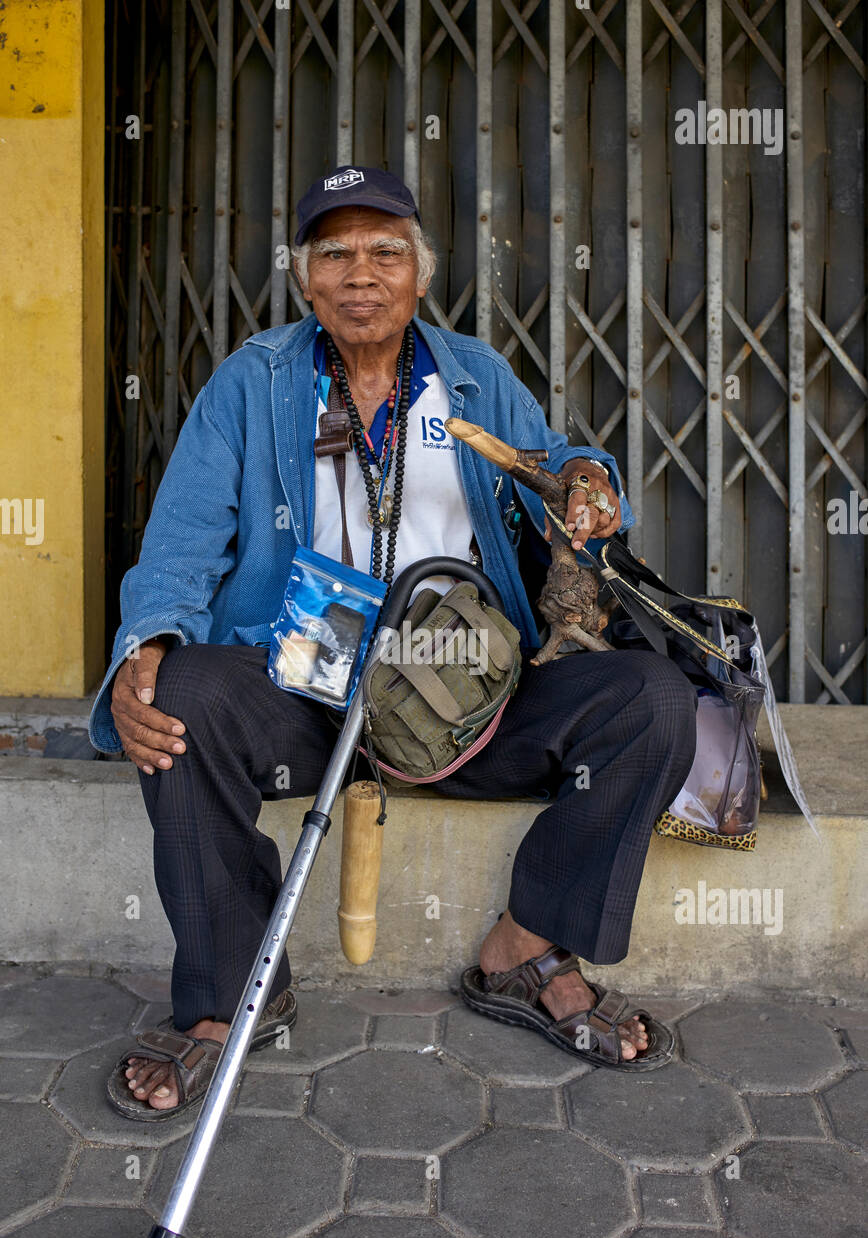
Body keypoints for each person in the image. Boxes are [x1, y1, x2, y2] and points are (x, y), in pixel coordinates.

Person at [89, 166, 697, 1118]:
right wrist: (146, 648)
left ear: (420, 272)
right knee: (181, 696)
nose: (359, 275)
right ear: (304, 279)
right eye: (334, 254)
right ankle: (232, 995)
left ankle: (525, 948)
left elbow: (560, 465)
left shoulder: (473, 378)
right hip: (309, 690)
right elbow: (179, 543)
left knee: (653, 700)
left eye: (384, 252)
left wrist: (586, 480)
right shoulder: (254, 383)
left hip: (464, 693)